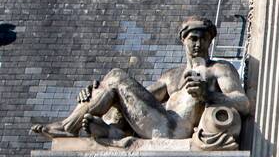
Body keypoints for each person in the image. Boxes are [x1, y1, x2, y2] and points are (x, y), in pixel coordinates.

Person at [31, 16, 250, 146]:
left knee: (117, 77)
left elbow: (243, 102)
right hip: (159, 121)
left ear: (210, 41)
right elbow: (136, 98)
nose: (198, 44)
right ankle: (109, 129)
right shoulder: (171, 75)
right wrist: (92, 93)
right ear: (183, 40)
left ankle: (71, 126)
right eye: (193, 38)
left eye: (204, 39)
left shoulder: (218, 69)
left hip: (173, 129)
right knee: (113, 84)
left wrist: (208, 95)